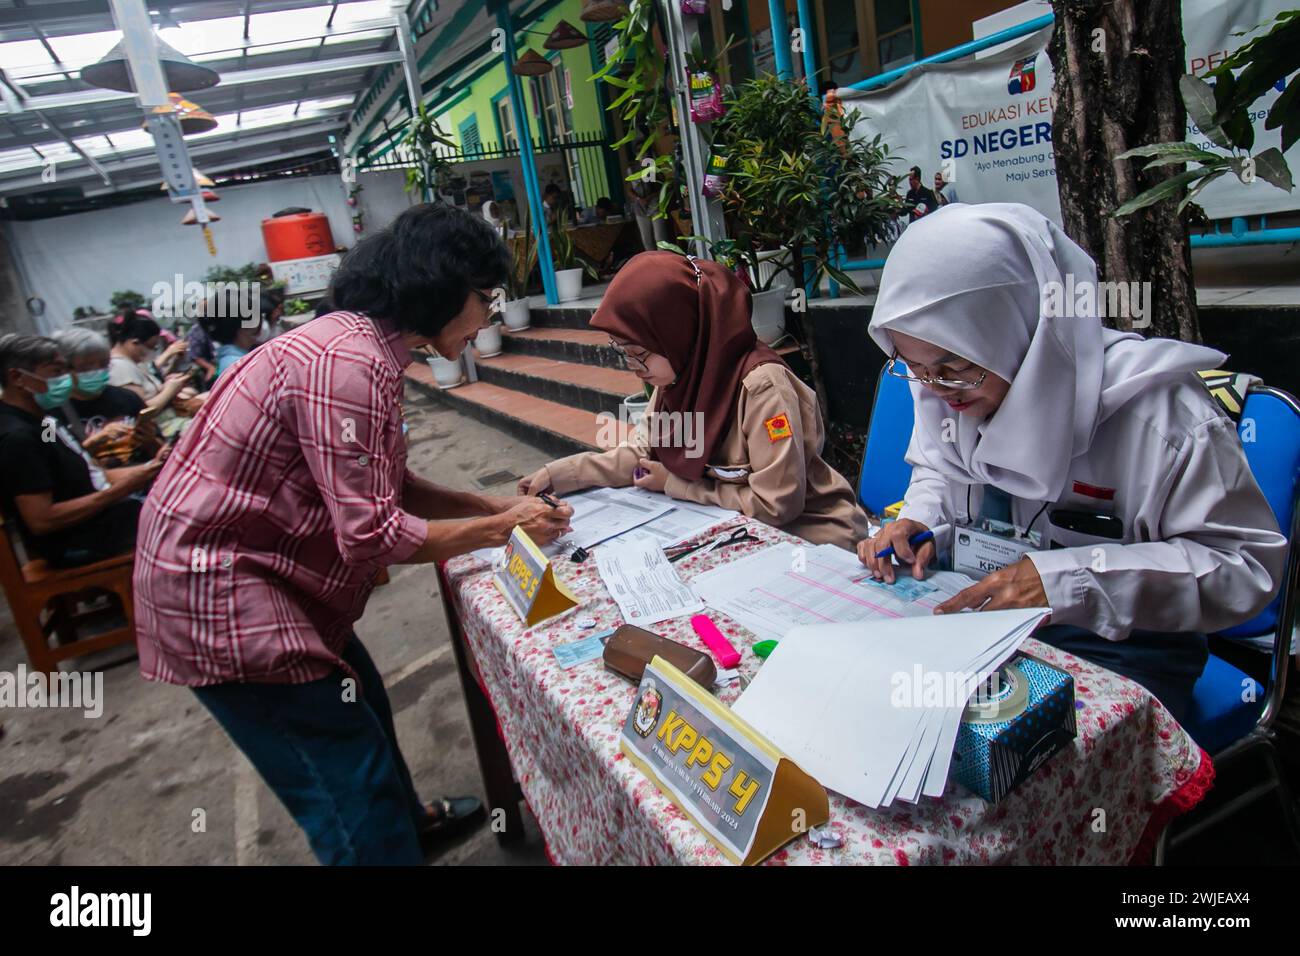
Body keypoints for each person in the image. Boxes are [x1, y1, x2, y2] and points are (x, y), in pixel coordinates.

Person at [133, 204, 574, 865]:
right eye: (485, 298)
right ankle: (379, 843)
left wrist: (489, 505)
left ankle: (409, 826)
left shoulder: (353, 343)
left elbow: (387, 481)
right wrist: (495, 528)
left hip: (264, 575)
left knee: (359, 701)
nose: (488, 315)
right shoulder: (350, 363)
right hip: (221, 594)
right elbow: (369, 535)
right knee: (345, 783)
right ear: (443, 286)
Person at [856, 203, 1285, 723]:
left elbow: (1244, 570)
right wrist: (921, 519)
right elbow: (939, 469)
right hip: (982, 622)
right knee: (882, 710)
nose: (935, 389)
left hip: (1119, 649)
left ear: (1026, 330)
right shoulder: (943, 391)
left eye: (954, 367)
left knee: (1012, 768)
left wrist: (1069, 581)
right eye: (915, 368)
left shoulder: (1159, 417)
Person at [518, 251, 869, 550]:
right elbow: (643, 456)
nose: (634, 368)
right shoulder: (680, 381)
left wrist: (676, 484)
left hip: (811, 541)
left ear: (680, 334)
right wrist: (558, 475)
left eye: (639, 352)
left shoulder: (761, 389)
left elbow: (774, 505)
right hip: (740, 533)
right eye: (623, 353)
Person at [0, 334, 162, 568]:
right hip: (76, 541)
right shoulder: (18, 437)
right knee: (184, 521)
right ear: (16, 377)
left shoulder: (44, 421)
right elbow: (41, 519)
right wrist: (119, 491)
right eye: (55, 372)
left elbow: (75, 464)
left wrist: (151, 468)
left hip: (99, 516)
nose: (65, 379)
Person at [51, 327, 162, 468]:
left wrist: (149, 440)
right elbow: (53, 465)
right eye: (86, 367)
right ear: (64, 369)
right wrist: (93, 443)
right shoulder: (50, 413)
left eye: (104, 364)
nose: (97, 371)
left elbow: (160, 449)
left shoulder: (128, 398)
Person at [108, 311, 200, 438]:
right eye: (151, 346)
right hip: (161, 430)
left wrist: (168, 384)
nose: (152, 352)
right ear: (134, 343)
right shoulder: (119, 367)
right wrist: (170, 389)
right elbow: (142, 410)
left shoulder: (131, 363)